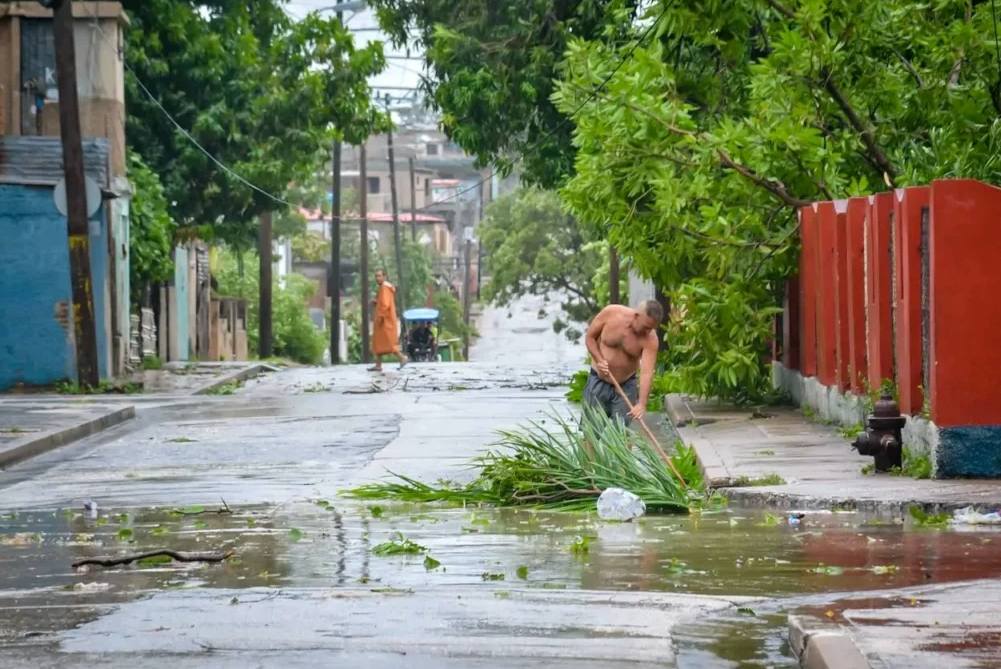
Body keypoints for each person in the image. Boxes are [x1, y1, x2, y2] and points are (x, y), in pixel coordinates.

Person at [583, 300, 664, 424]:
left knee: (622, 435)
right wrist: (599, 359)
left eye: (651, 329)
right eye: (646, 327)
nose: (648, 332)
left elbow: (646, 372)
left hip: (626, 385)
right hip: (599, 380)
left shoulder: (651, 339)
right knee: (591, 433)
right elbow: (590, 337)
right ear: (636, 316)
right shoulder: (611, 313)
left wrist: (642, 403)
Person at [369, 269, 408, 372]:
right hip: (384, 319)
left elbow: (385, 305)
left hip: (385, 320)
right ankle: (378, 364)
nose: (377, 278)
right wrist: (376, 302)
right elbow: (383, 302)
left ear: (384, 277)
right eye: (376, 276)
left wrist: (381, 317)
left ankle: (402, 358)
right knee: (378, 342)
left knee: (389, 343)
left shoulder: (385, 287)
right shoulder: (384, 287)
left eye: (379, 276)